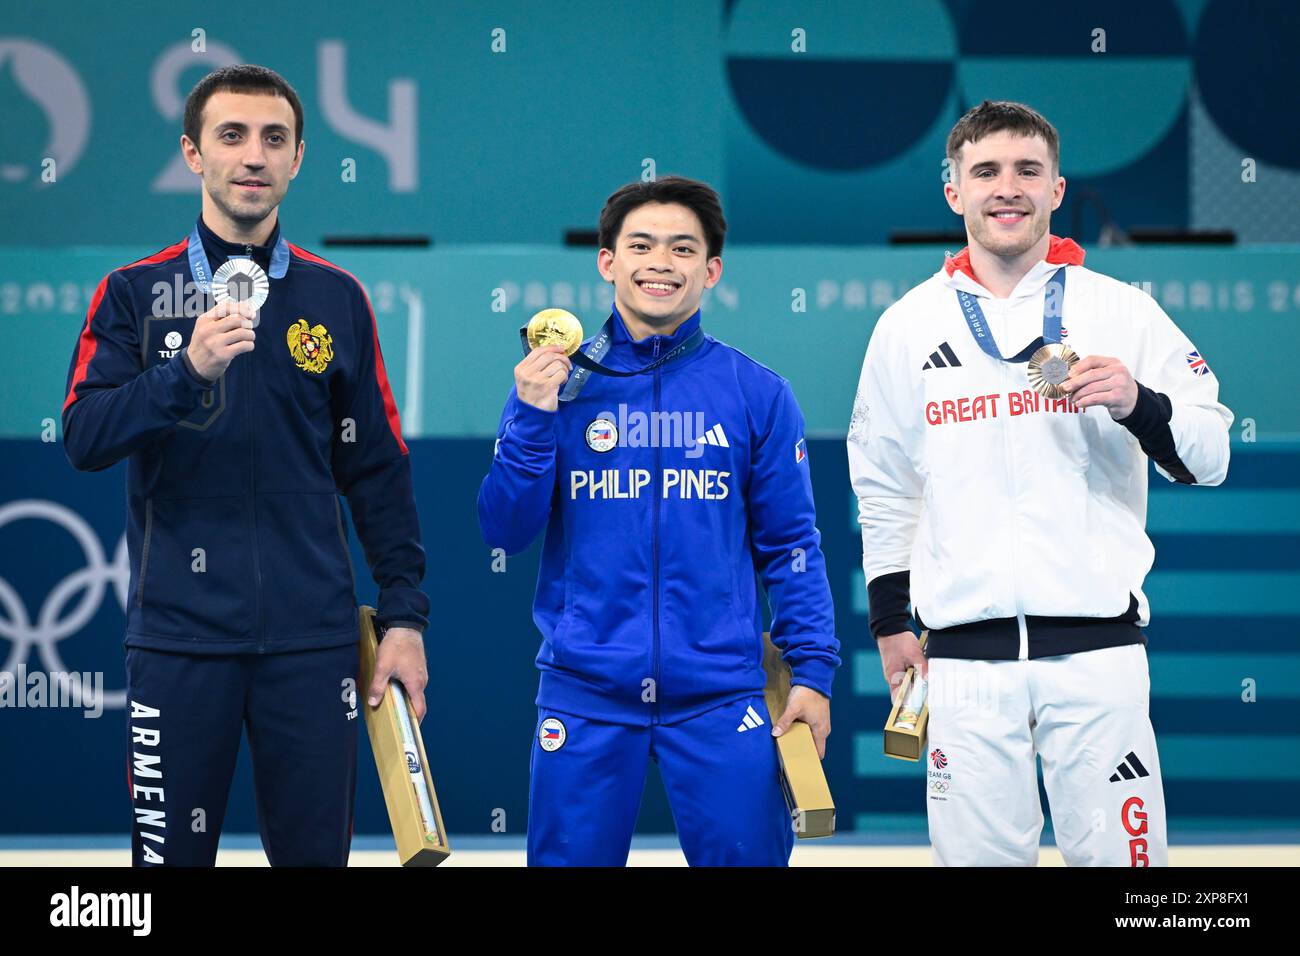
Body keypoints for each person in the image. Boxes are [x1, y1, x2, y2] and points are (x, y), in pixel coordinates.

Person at [61, 65, 429, 866]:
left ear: (298, 159)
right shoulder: (133, 293)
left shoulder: (337, 299)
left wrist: (403, 617)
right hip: (178, 643)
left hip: (313, 645)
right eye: (232, 136)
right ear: (194, 153)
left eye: (274, 138)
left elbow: (376, 471)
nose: (253, 155)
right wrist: (181, 374)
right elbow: (84, 436)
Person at [848, 100, 1232, 866]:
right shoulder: (905, 326)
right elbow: (885, 487)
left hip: (1097, 659)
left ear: (1058, 189)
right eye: (985, 171)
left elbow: (1211, 454)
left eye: (1029, 170)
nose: (1008, 187)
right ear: (953, 190)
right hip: (960, 667)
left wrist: (1138, 403)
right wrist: (892, 622)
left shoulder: (1124, 312)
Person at [478, 176, 839, 866]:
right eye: (640, 245)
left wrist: (813, 676)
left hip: (721, 695)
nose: (660, 263)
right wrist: (530, 416)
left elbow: (792, 547)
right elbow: (505, 529)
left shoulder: (755, 392)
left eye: (682, 248)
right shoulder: (554, 382)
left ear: (711, 270)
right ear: (607, 261)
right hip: (584, 692)